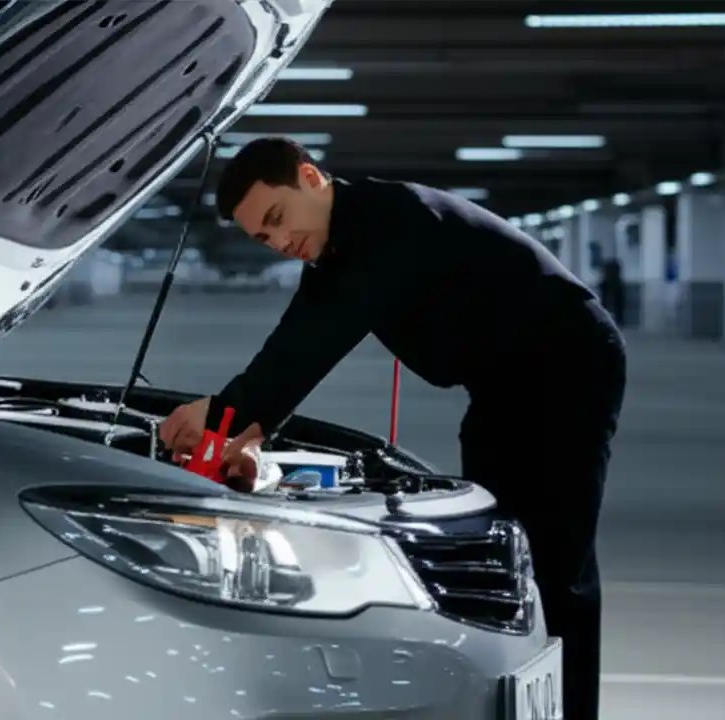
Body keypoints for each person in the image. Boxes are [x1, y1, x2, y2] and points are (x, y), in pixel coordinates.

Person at [158, 137, 626, 720]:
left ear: (309, 177)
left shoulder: (389, 220)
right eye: (263, 238)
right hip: (502, 385)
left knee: (557, 563)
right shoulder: (339, 248)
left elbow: (317, 339)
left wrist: (225, 414)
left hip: (568, 364)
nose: (279, 242)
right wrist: (242, 431)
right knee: (503, 554)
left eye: (276, 220)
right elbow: (296, 334)